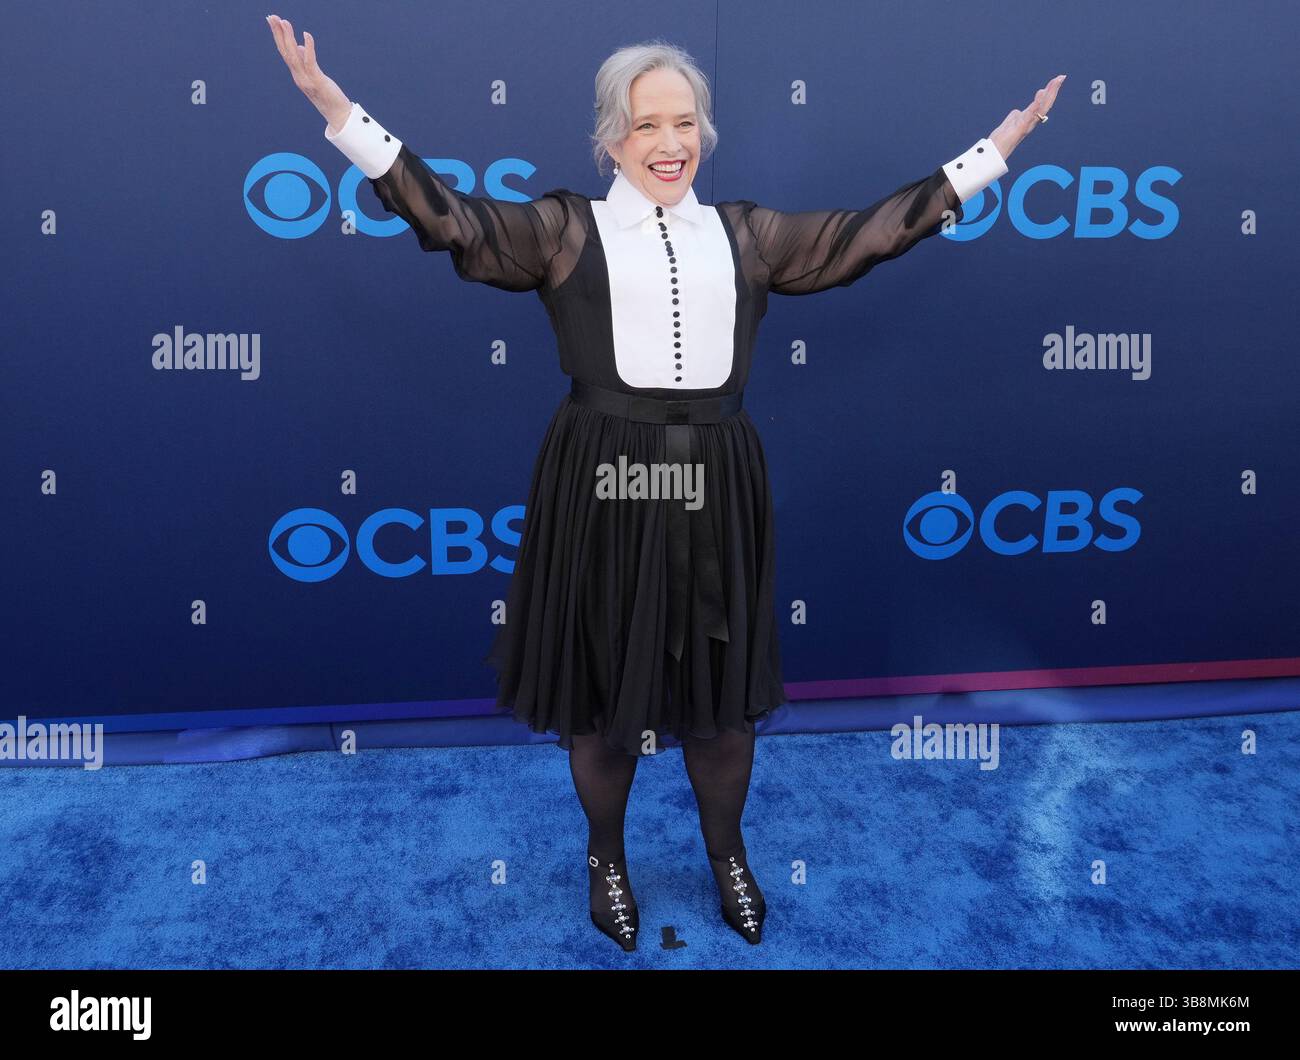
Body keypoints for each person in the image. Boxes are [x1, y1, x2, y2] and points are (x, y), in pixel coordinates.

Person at [267, 13, 1063, 952]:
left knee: (722, 700)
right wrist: (336, 107)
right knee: (604, 699)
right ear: (611, 137)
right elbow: (455, 221)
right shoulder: (566, 228)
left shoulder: (748, 234)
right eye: (647, 124)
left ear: (704, 135)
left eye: (684, 123)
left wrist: (993, 152)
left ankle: (727, 853)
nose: (669, 142)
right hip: (604, 477)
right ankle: (606, 857)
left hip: (719, 479)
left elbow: (868, 237)